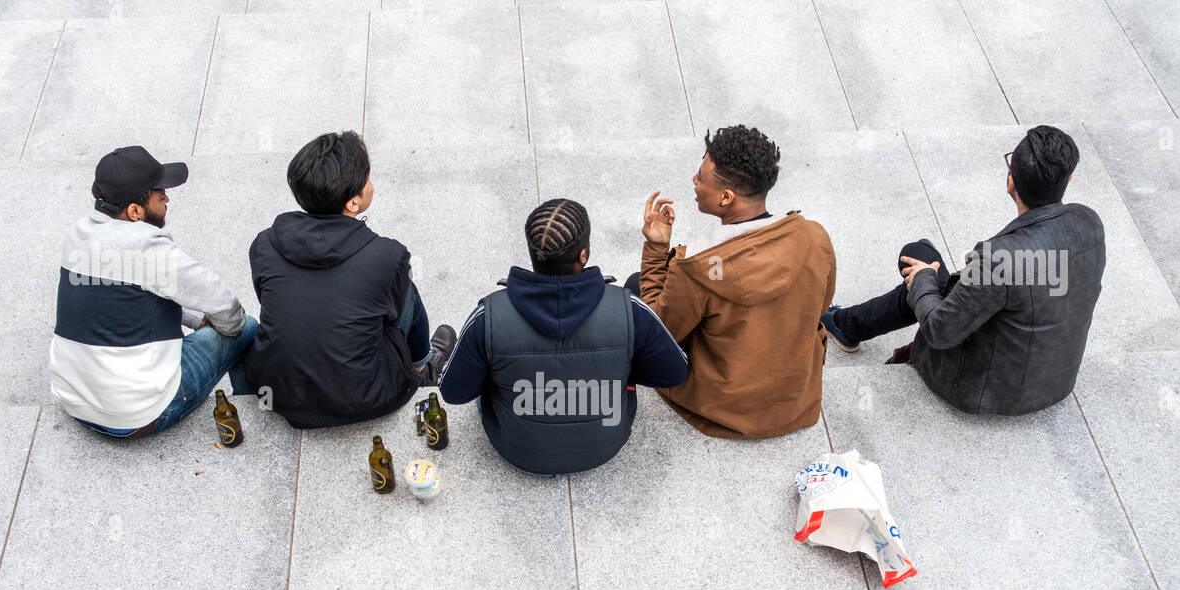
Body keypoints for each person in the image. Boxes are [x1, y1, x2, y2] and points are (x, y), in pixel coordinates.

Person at [821, 125, 1105, 415]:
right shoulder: (1089, 222)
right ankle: (846, 323)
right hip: (1055, 381)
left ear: (1010, 182)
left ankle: (843, 323)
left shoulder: (999, 259)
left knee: (917, 257)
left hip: (984, 389)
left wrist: (923, 279)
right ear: (1068, 178)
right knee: (927, 266)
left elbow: (939, 331)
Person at [439, 199, 688, 476]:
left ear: (533, 254)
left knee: (485, 360)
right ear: (583, 255)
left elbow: (453, 392)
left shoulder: (488, 316)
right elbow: (674, 373)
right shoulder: (630, 309)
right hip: (606, 445)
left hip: (519, 452)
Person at [627, 125, 836, 439]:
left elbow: (662, 333)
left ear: (726, 197)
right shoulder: (814, 236)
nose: (694, 182)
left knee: (633, 290)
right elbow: (821, 304)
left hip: (725, 406)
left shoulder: (699, 266)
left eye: (701, 177)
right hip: (796, 401)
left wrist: (657, 248)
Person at [244, 131, 455, 429]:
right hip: (367, 397)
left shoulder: (264, 244)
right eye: (368, 177)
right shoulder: (387, 254)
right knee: (405, 286)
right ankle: (423, 366)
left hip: (279, 394)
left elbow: (271, 300)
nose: (371, 182)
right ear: (353, 203)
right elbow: (392, 312)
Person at [49, 146, 257, 439]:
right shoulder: (148, 249)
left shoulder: (76, 235)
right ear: (135, 212)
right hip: (137, 416)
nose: (167, 198)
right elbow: (225, 307)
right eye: (160, 195)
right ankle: (248, 406)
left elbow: (135, 296)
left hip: (74, 401)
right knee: (245, 327)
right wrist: (221, 325)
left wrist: (198, 323)